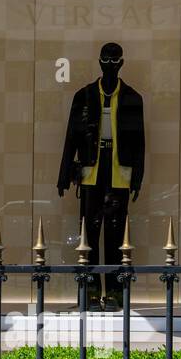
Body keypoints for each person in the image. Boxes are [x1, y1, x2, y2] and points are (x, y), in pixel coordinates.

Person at [56, 42, 145, 309]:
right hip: (91, 171)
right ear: (99, 62)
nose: (109, 66)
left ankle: (116, 293)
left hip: (119, 172)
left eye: (114, 60)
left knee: (117, 236)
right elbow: (70, 138)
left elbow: (140, 143)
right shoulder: (83, 96)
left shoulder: (132, 98)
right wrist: (63, 175)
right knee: (89, 234)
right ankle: (91, 292)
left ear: (121, 64)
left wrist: (137, 178)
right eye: (105, 60)